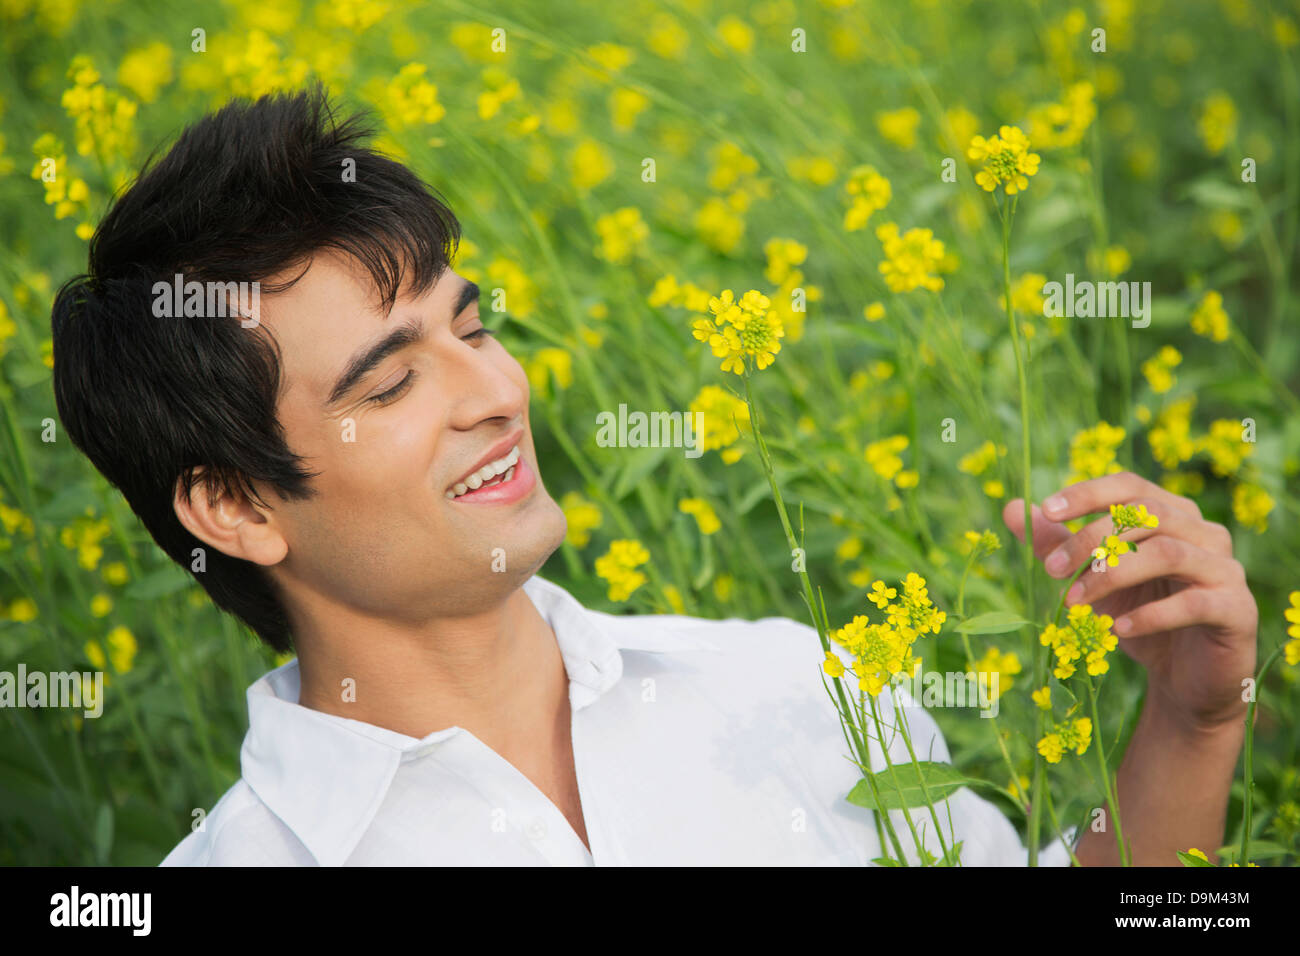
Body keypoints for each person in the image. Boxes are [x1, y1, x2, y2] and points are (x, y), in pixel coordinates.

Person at [50, 86, 1257, 866]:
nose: (496, 392)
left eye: (470, 330)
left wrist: (1190, 725)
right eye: (389, 384)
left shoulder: (798, 681)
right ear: (237, 506)